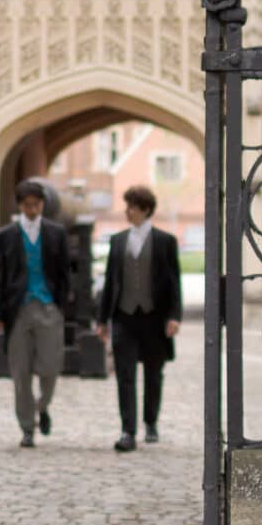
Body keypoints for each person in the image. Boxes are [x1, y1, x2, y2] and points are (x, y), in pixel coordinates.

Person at [95, 185, 183, 452]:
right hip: (124, 317)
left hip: (154, 318)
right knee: (125, 375)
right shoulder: (117, 241)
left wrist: (174, 316)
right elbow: (110, 282)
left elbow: (173, 282)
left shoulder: (165, 241)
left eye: (131, 207)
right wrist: (102, 320)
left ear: (145, 210)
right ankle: (128, 431)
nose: (127, 211)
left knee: (153, 374)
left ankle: (150, 422)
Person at [0, 180, 71, 448]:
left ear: (43, 204)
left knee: (51, 367)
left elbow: (64, 273)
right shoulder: (5, 236)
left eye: (37, 205)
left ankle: (42, 406)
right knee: (20, 373)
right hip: (17, 311)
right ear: (20, 206)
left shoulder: (56, 233)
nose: (33, 209)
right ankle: (27, 427)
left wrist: (61, 306)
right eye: (28, 205)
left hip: (49, 307)